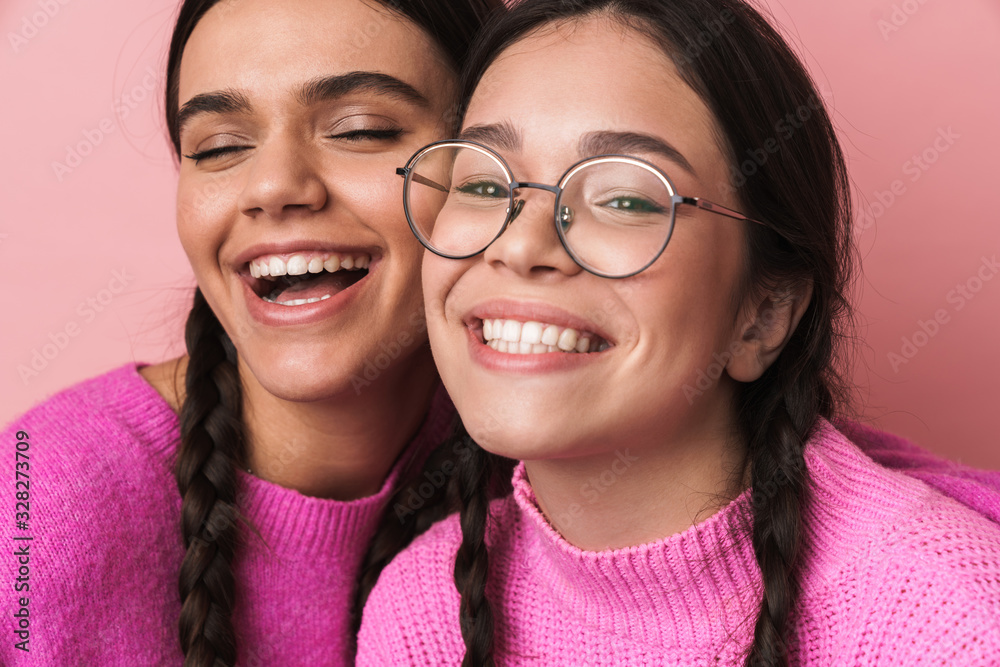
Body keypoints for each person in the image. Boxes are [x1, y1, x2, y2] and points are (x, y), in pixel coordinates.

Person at [356, 0, 1000, 664]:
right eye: (485, 185)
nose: (521, 246)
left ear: (763, 313)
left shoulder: (946, 620)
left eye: (625, 199)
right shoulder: (424, 607)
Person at [0, 0, 500, 665]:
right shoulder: (37, 511)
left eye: (360, 130)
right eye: (220, 147)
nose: (272, 186)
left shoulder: (541, 465)